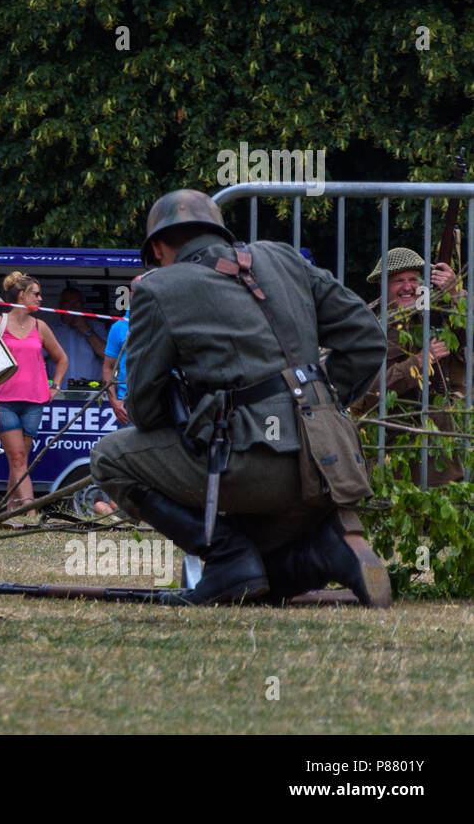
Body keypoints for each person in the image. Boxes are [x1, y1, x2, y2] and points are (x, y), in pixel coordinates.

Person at [89, 189, 390, 606]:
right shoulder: (284, 258)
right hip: (331, 468)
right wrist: (317, 407)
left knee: (109, 456)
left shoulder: (160, 288)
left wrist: (193, 415)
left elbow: (143, 408)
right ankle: (328, 551)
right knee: (256, 576)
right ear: (218, 231)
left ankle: (226, 556)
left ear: (158, 247)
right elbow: (368, 339)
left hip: (254, 469)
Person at [351, 247, 465, 484]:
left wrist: (455, 294)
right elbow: (364, 393)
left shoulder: (439, 310)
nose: (408, 287)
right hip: (390, 451)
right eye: (398, 280)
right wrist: (416, 366)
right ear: (383, 285)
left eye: (414, 279)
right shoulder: (368, 326)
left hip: (443, 453)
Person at [0, 272, 67, 511]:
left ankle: (11, 507)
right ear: (21, 295)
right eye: (35, 294)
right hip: (3, 400)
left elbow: (62, 359)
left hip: (34, 401)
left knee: (20, 459)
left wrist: (55, 385)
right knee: (17, 458)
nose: (40, 299)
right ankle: (29, 508)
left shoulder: (40, 326)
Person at [101, 273, 144, 426]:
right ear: (131, 295)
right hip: (128, 403)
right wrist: (114, 402)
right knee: (129, 450)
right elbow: (108, 367)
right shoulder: (119, 327)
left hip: (162, 402)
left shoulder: (165, 322)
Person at [50, 286, 107, 386]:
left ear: (82, 306)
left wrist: (86, 330)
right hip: (58, 394)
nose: (73, 307)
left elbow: (106, 354)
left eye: (77, 303)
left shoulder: (97, 326)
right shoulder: (51, 329)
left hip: (91, 393)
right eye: (68, 303)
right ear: (60, 306)